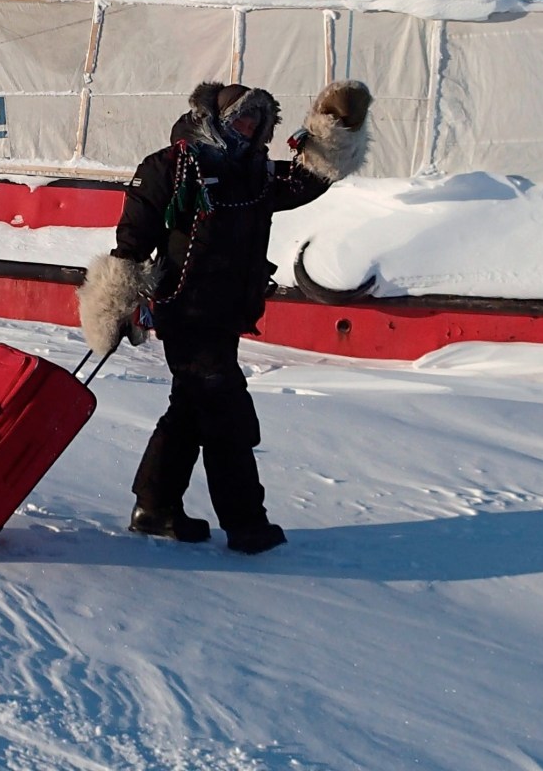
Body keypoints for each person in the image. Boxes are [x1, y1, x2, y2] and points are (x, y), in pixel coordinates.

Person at [77, 79, 372, 554]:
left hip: (227, 314)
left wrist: (337, 126)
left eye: (257, 119)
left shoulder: (254, 173)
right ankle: (246, 524)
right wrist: (113, 306)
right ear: (214, 117)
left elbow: (304, 182)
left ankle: (155, 507)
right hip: (186, 314)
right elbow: (131, 243)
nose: (249, 126)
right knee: (226, 415)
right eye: (241, 117)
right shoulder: (168, 167)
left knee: (190, 412)